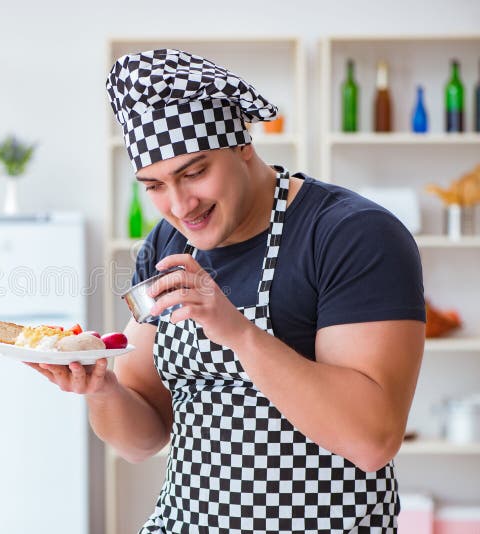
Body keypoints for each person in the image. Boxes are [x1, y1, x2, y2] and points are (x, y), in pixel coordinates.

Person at [26, 49, 425, 532]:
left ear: (243, 146)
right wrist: (102, 389)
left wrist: (236, 331)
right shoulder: (166, 245)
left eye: (194, 173)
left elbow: (371, 440)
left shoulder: (352, 235)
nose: (179, 205)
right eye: (153, 185)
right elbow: (141, 440)